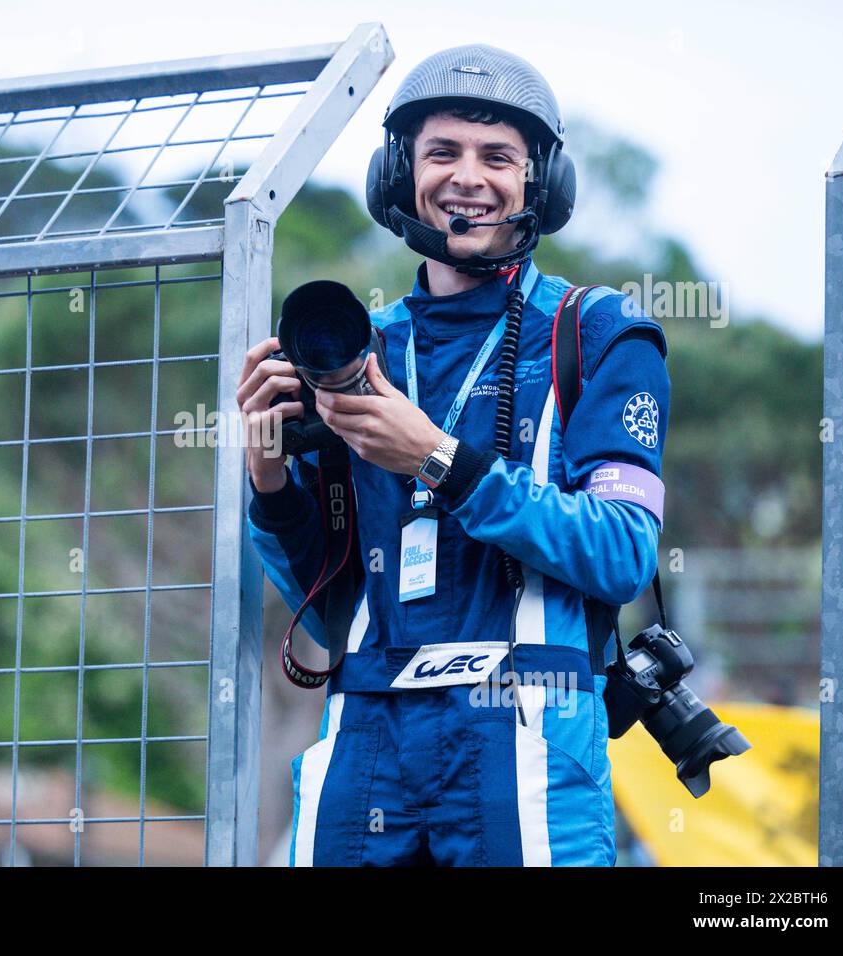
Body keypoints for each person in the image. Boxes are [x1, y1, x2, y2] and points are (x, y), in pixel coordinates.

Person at [238, 44, 669, 866]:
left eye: (496, 156)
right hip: (365, 727)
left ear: (541, 183)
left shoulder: (599, 332)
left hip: (529, 725)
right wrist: (268, 480)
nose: (467, 176)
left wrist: (436, 457)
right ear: (399, 175)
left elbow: (621, 552)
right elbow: (329, 603)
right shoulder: (359, 351)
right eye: (442, 152)